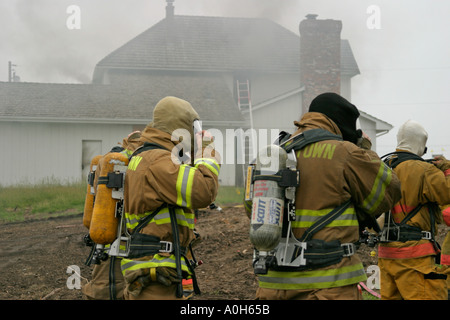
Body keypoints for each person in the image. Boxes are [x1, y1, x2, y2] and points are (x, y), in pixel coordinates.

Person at [251, 92, 402, 300]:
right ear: (342, 124)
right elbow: (389, 191)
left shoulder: (274, 154)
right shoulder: (345, 153)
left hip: (273, 286)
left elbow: (252, 209)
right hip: (328, 286)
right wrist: (365, 150)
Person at [120, 96, 220, 300]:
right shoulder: (158, 161)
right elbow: (204, 191)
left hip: (154, 271)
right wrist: (207, 153)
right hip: (155, 275)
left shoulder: (147, 156)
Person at [378, 120, 450, 300]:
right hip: (415, 258)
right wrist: (447, 169)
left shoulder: (382, 167)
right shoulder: (424, 170)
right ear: (421, 144)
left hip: (386, 256)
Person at [82, 131, 143, 300]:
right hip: (136, 244)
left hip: (107, 244)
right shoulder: (145, 159)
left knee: (105, 290)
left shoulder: (110, 159)